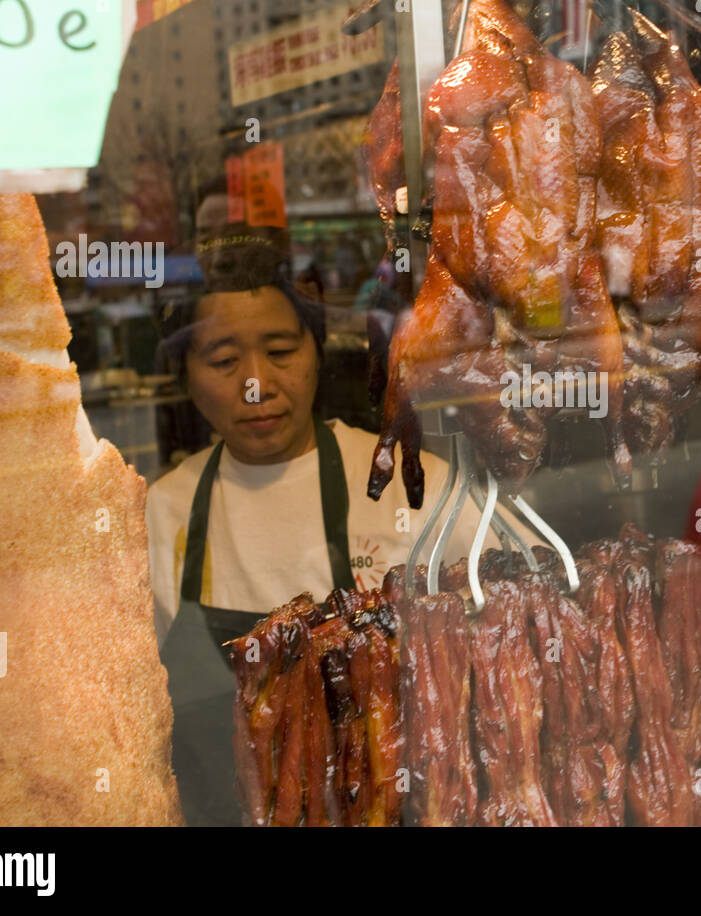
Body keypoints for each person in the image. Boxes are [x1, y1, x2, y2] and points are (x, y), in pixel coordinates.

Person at [146, 181, 528, 823]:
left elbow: (528, 597)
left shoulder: (408, 483)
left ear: (317, 351)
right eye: (221, 359)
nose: (255, 386)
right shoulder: (161, 514)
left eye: (280, 351)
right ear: (184, 375)